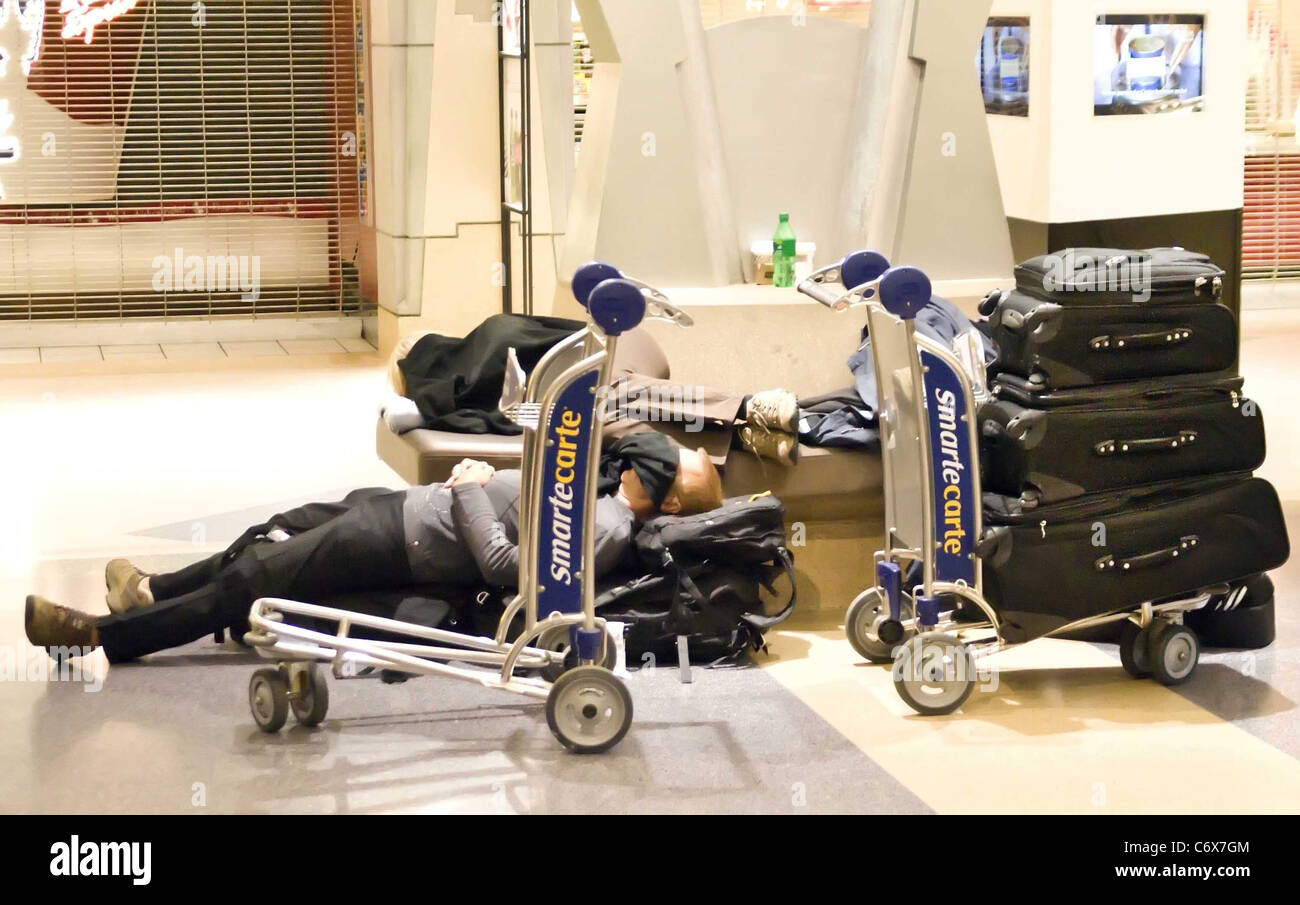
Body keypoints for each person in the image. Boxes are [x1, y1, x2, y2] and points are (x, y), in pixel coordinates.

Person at [24, 443, 723, 663]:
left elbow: (508, 569)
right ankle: (153, 587)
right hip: (408, 508)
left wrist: (473, 488)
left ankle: (99, 635)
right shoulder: (606, 495)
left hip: (408, 539)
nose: (643, 459)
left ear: (664, 502)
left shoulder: (606, 527)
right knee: (273, 531)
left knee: (260, 576)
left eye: (663, 471)